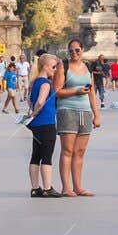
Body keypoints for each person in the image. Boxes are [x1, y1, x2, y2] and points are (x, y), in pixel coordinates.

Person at [52, 38, 100, 196]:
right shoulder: (62, 66)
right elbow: (57, 91)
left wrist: (96, 115)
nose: (74, 53)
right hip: (67, 111)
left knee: (80, 151)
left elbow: (92, 92)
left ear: (82, 50)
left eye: (77, 50)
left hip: (85, 112)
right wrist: (76, 91)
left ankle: (78, 186)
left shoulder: (87, 67)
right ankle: (66, 187)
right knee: (67, 150)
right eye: (71, 51)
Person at [26, 54, 60, 197]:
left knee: (36, 155)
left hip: (36, 125)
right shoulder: (46, 83)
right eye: (53, 67)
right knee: (46, 156)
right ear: (45, 67)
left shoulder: (34, 82)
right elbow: (40, 102)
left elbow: (29, 101)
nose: (55, 70)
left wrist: (32, 115)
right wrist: (35, 112)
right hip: (46, 123)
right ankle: (47, 188)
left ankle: (35, 188)